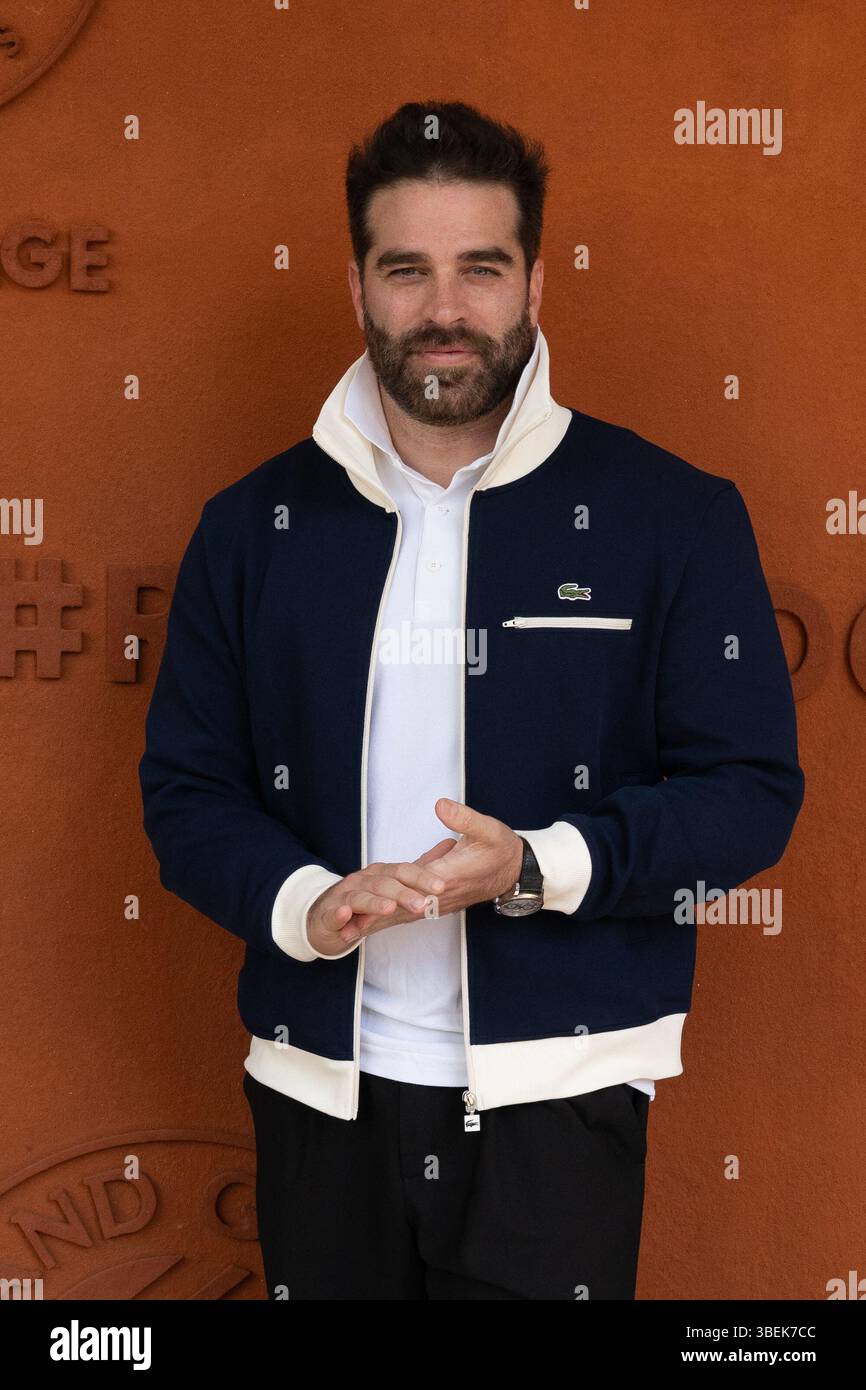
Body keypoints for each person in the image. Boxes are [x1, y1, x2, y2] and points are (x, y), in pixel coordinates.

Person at [138, 101, 805, 1300]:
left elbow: (748, 794)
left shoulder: (670, 514)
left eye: (479, 269)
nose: (443, 309)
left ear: (534, 284)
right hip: (317, 1090)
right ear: (356, 287)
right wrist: (308, 900)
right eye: (407, 270)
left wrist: (538, 866)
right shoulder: (251, 528)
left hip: (559, 1096)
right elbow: (188, 793)